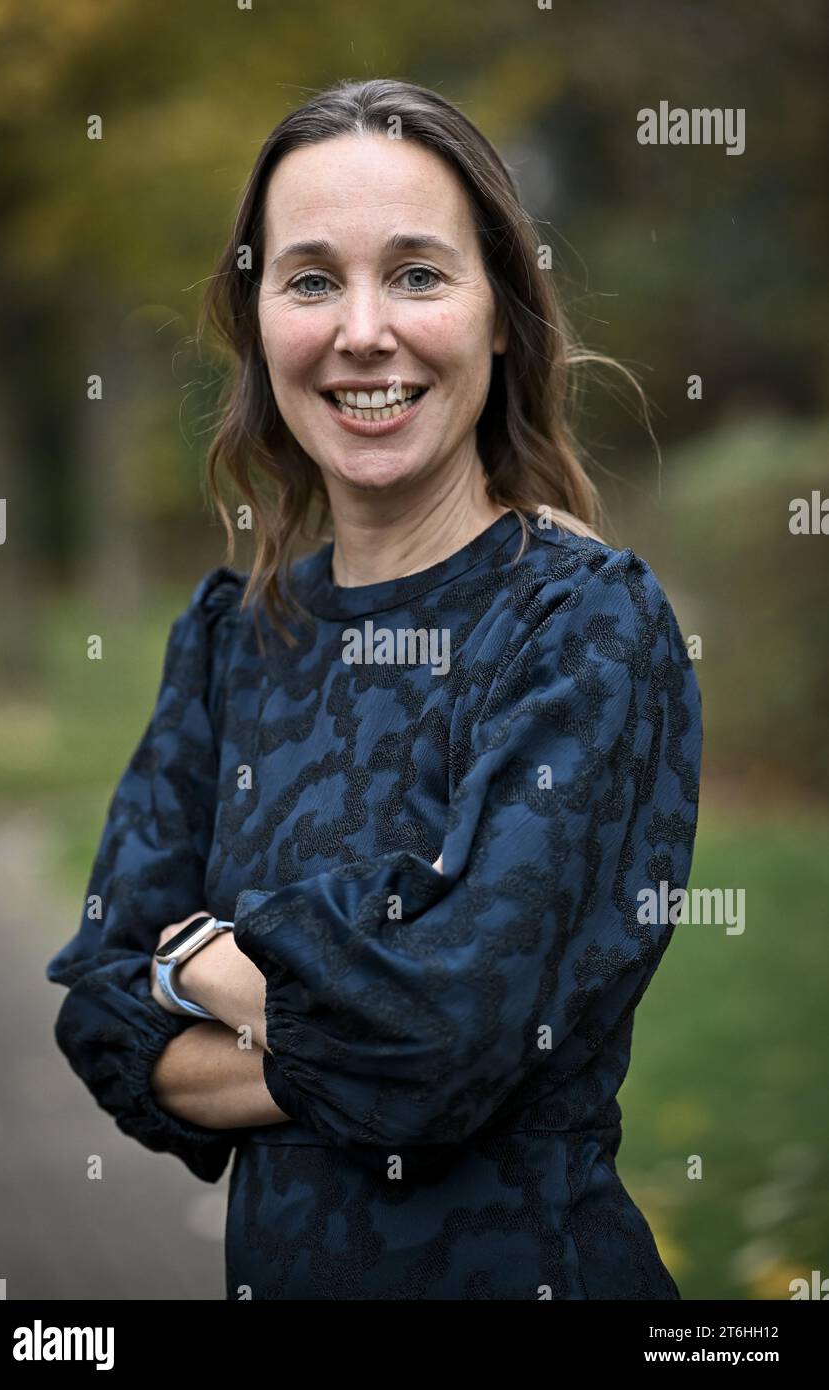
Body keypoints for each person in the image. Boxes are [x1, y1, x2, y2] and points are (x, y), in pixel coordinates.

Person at [46, 78, 702, 1300]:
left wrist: (195, 971)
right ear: (256, 324)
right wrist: (362, 1020)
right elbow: (96, 1008)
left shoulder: (581, 625)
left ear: (498, 315)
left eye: (414, 273)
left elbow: (450, 1043)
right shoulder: (229, 639)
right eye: (308, 279)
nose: (361, 331)